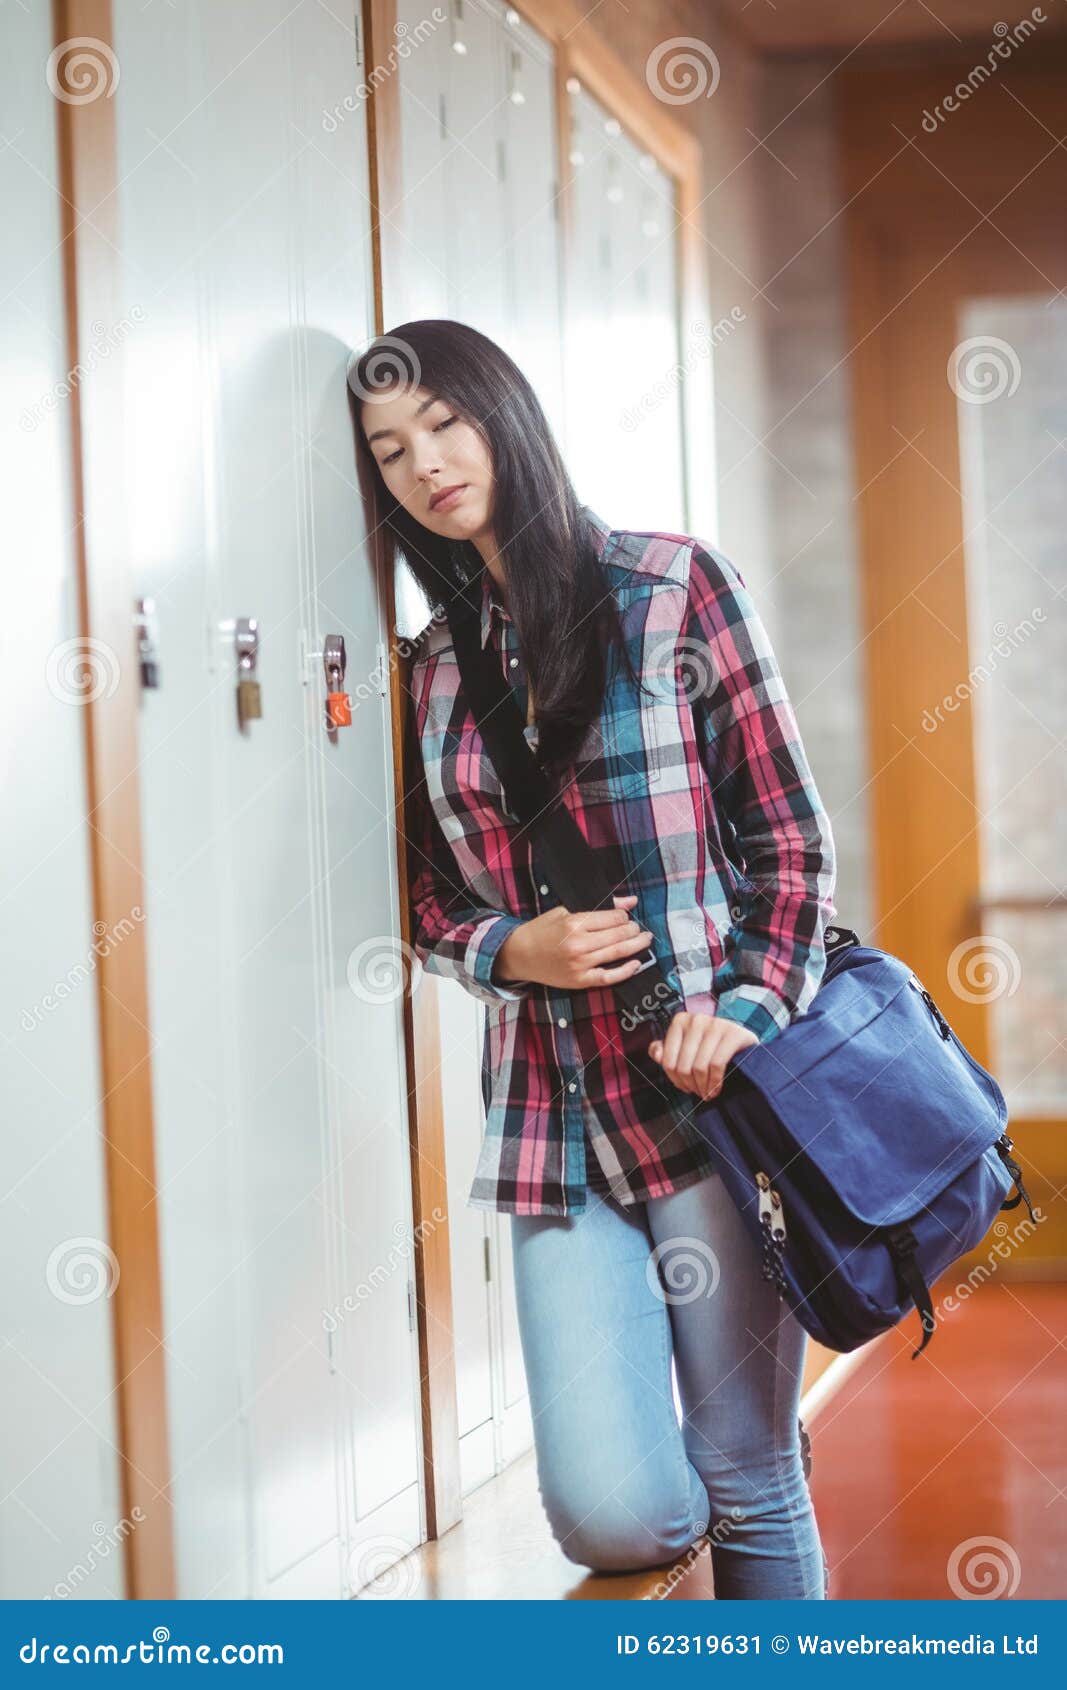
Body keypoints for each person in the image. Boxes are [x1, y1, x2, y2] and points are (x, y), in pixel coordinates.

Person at [351, 319, 837, 1599]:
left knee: (742, 1464)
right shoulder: (427, 674)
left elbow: (788, 843)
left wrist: (744, 1006)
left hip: (710, 1102)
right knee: (613, 1512)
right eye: (390, 451)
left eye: (446, 423)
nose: (427, 465)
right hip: (548, 1125)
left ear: (503, 413)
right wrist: (508, 944)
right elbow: (414, 893)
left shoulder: (673, 587)